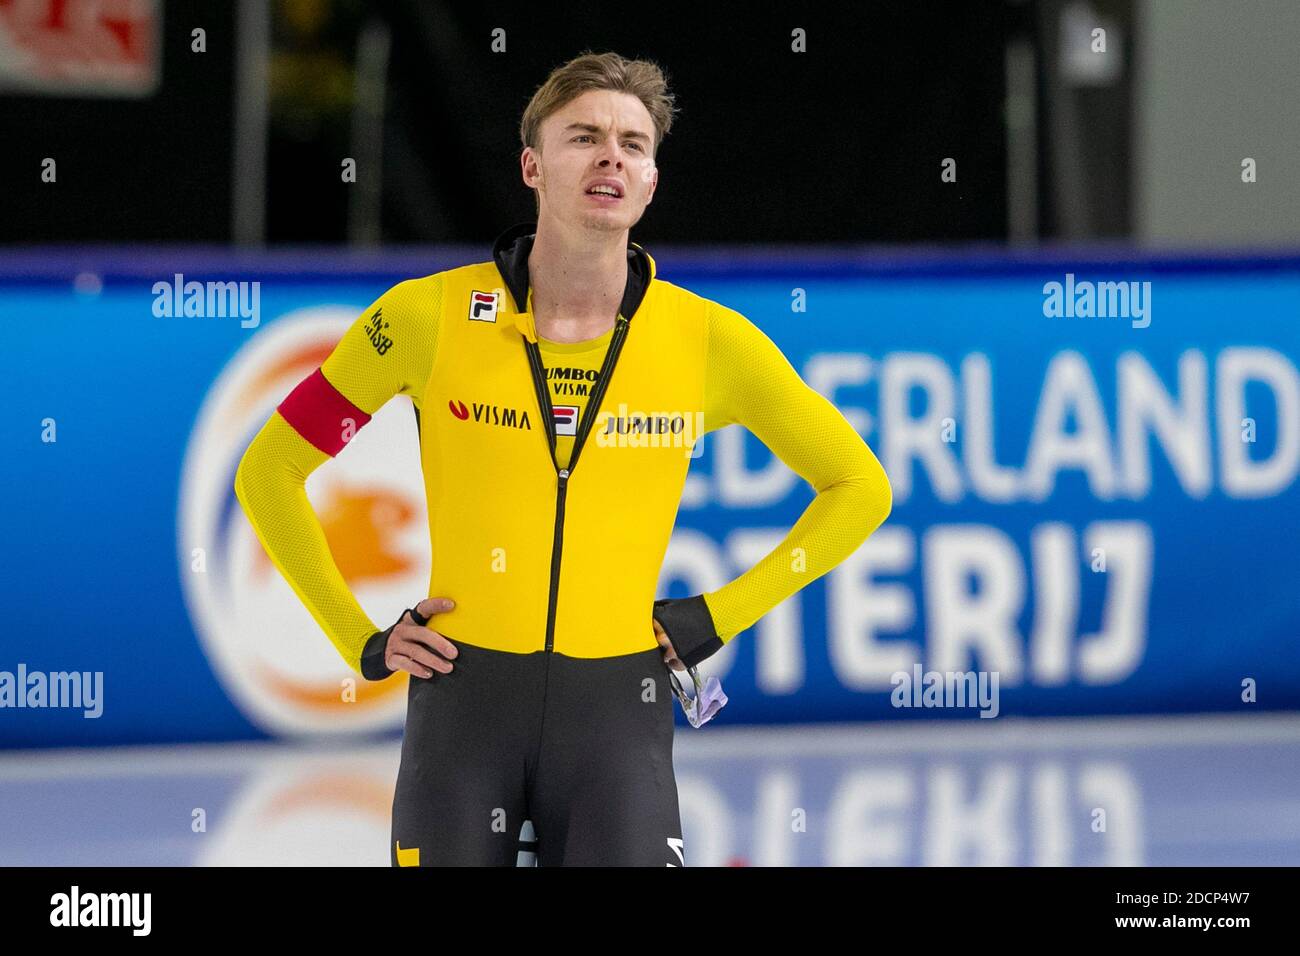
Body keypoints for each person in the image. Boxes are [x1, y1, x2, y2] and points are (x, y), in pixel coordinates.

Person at [234, 50, 892, 866]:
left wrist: (721, 614)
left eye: (634, 144)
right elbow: (268, 470)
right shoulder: (423, 317)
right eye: (584, 136)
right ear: (532, 166)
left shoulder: (708, 342)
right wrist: (359, 639)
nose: (611, 155)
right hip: (462, 715)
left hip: (617, 718)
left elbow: (861, 486)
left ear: (651, 182)